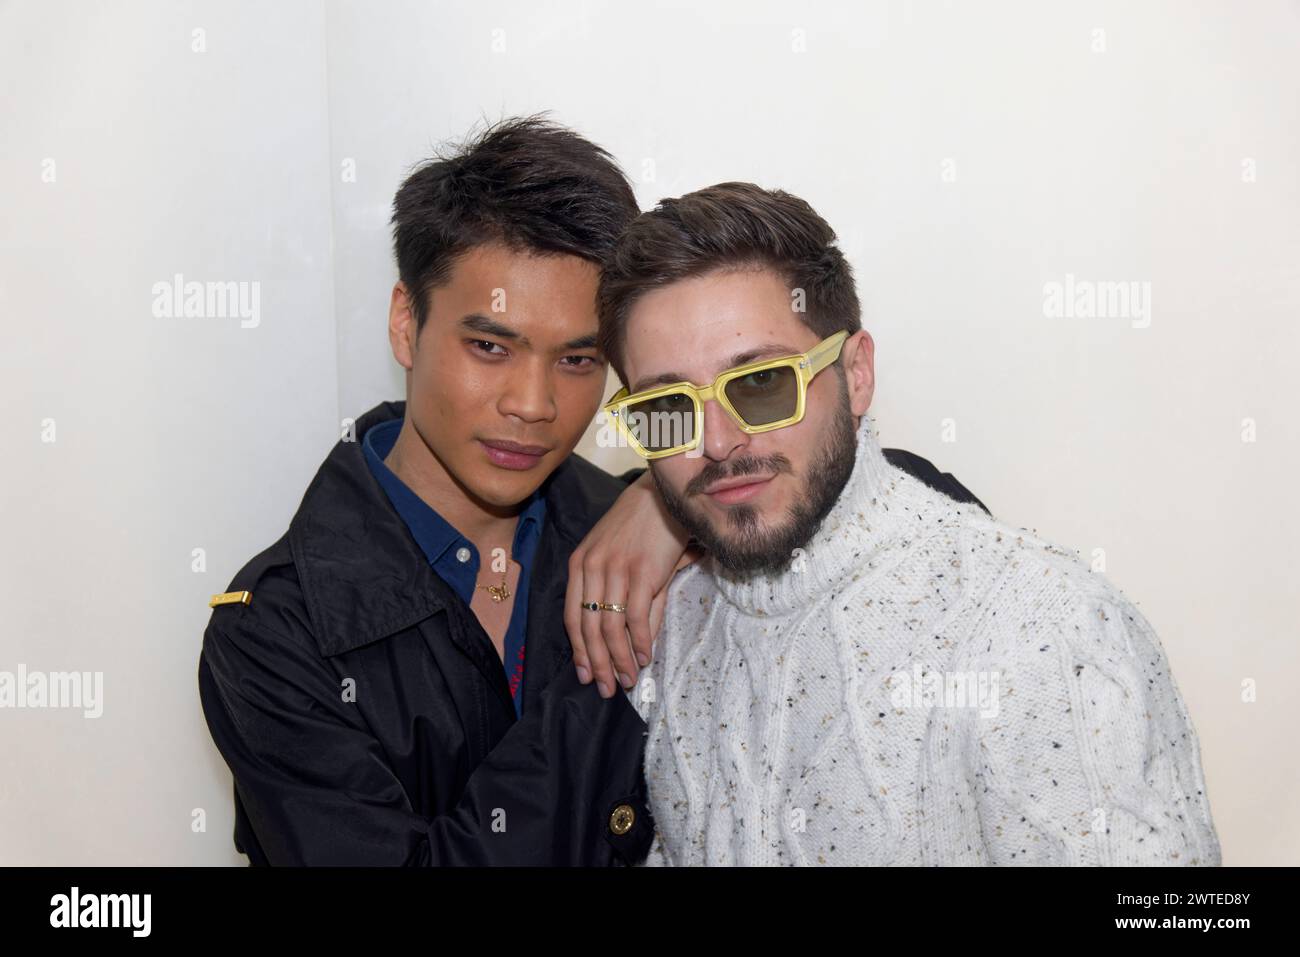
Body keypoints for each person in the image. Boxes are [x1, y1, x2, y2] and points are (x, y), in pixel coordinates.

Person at [583, 181, 1222, 866]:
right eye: (669, 406)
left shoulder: (1042, 627)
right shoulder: (671, 630)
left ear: (856, 374)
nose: (717, 440)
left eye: (763, 382)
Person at [197, 116, 693, 865]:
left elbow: (899, 505)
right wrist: (614, 659)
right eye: (491, 346)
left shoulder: (645, 522)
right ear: (406, 323)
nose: (533, 403)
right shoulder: (274, 635)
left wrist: (674, 503)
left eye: (578, 358)